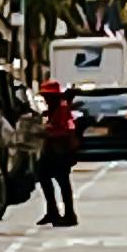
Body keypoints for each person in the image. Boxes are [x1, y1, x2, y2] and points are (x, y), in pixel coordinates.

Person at [37, 80, 80, 229]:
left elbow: (66, 130)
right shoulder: (53, 109)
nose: (46, 99)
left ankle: (69, 214)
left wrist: (47, 132)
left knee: (63, 182)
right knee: (44, 177)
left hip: (61, 151)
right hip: (51, 150)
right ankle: (52, 211)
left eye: (48, 96)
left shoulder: (62, 109)